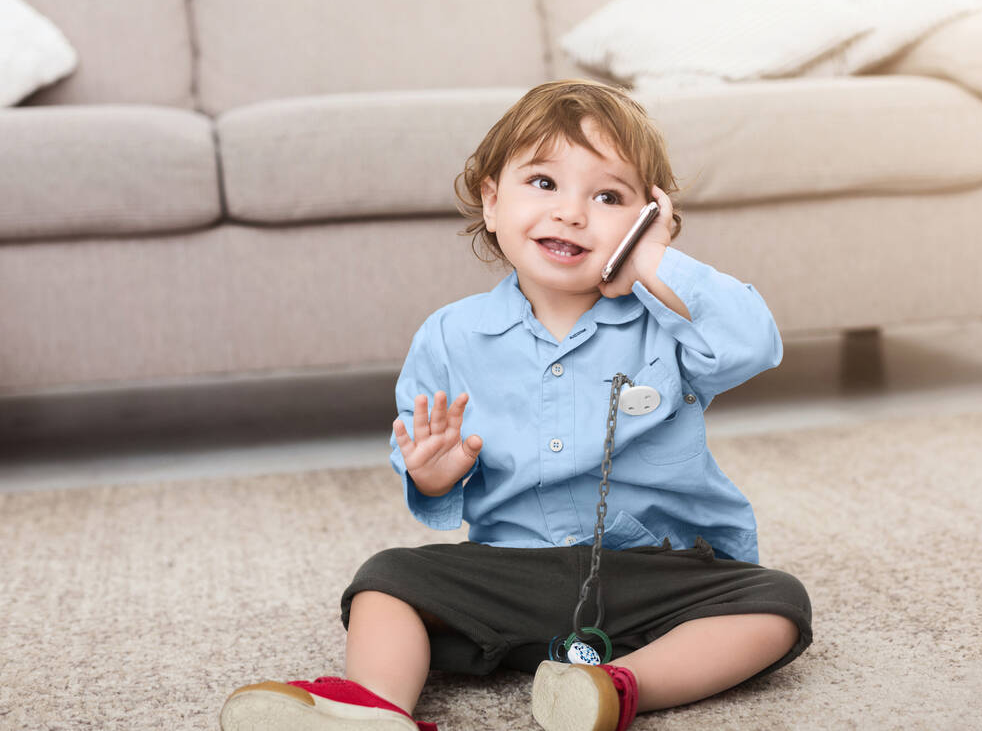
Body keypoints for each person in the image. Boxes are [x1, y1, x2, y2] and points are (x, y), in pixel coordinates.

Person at [220, 79, 812, 731]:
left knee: (777, 601)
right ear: (491, 201)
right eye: (543, 183)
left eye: (609, 196)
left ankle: (615, 687)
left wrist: (656, 261)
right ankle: (376, 706)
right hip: (512, 576)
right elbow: (426, 468)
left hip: (650, 573)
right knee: (384, 578)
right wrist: (434, 471)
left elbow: (753, 344)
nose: (571, 212)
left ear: (648, 219)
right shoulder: (450, 334)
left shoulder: (667, 323)